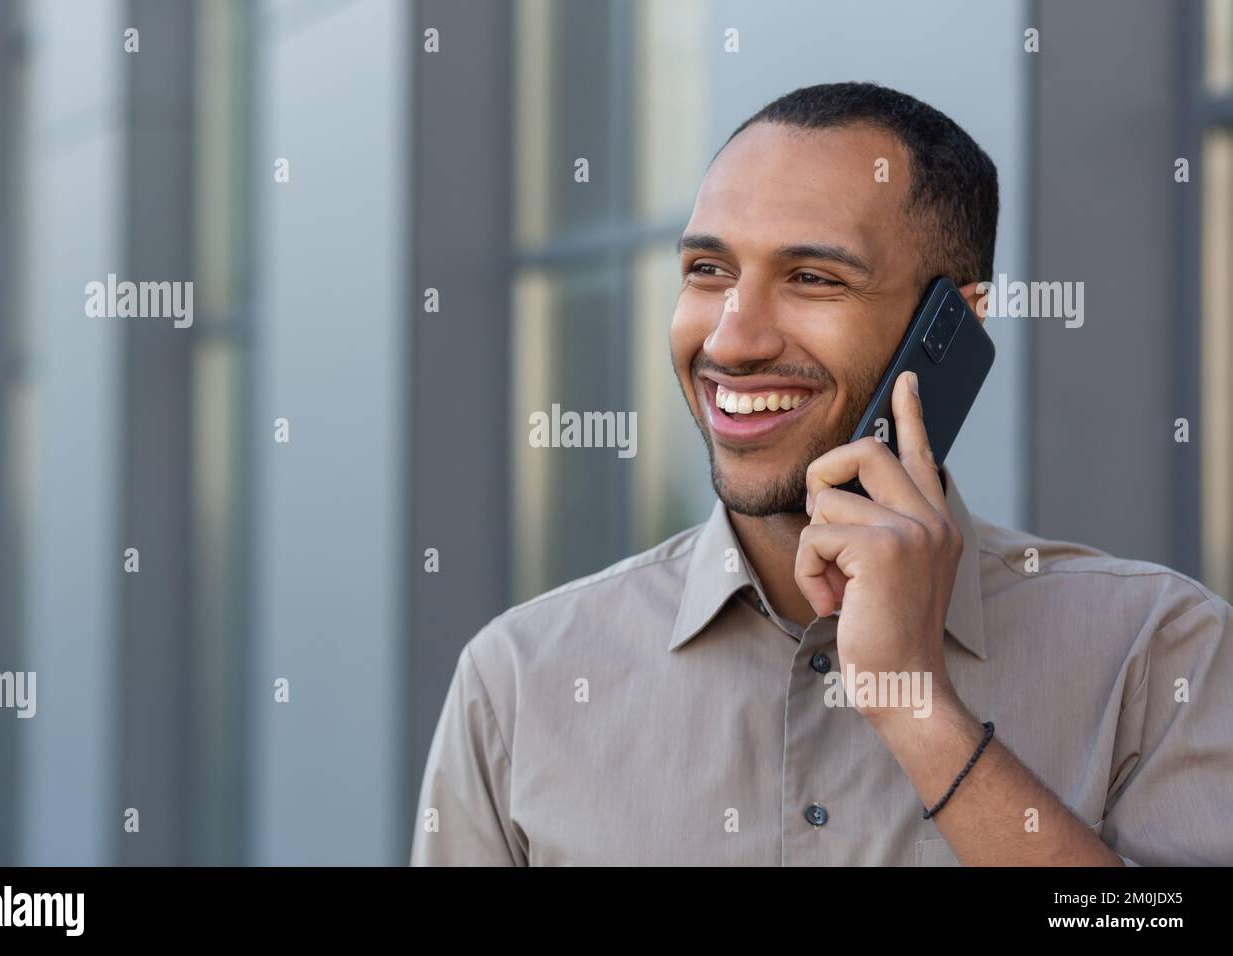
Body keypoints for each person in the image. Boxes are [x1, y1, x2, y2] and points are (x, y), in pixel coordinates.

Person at [410, 82, 1233, 866]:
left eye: (812, 278)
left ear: (956, 324)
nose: (733, 340)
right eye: (709, 270)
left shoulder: (1155, 653)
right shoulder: (521, 678)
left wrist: (918, 709)